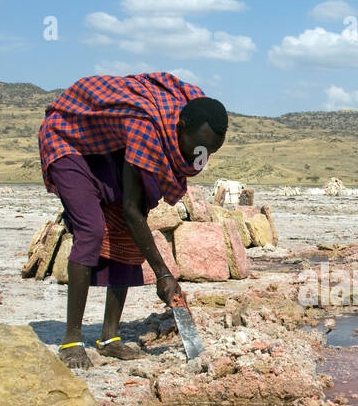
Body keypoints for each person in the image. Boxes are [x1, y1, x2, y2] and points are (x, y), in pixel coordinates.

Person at [38, 72, 228, 368]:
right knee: (91, 228)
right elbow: (132, 209)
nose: (200, 157)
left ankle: (109, 338)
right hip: (68, 140)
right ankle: (71, 340)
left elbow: (134, 211)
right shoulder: (146, 127)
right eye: (196, 148)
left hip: (107, 148)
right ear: (181, 126)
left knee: (127, 236)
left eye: (209, 152)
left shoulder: (195, 108)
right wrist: (164, 275)